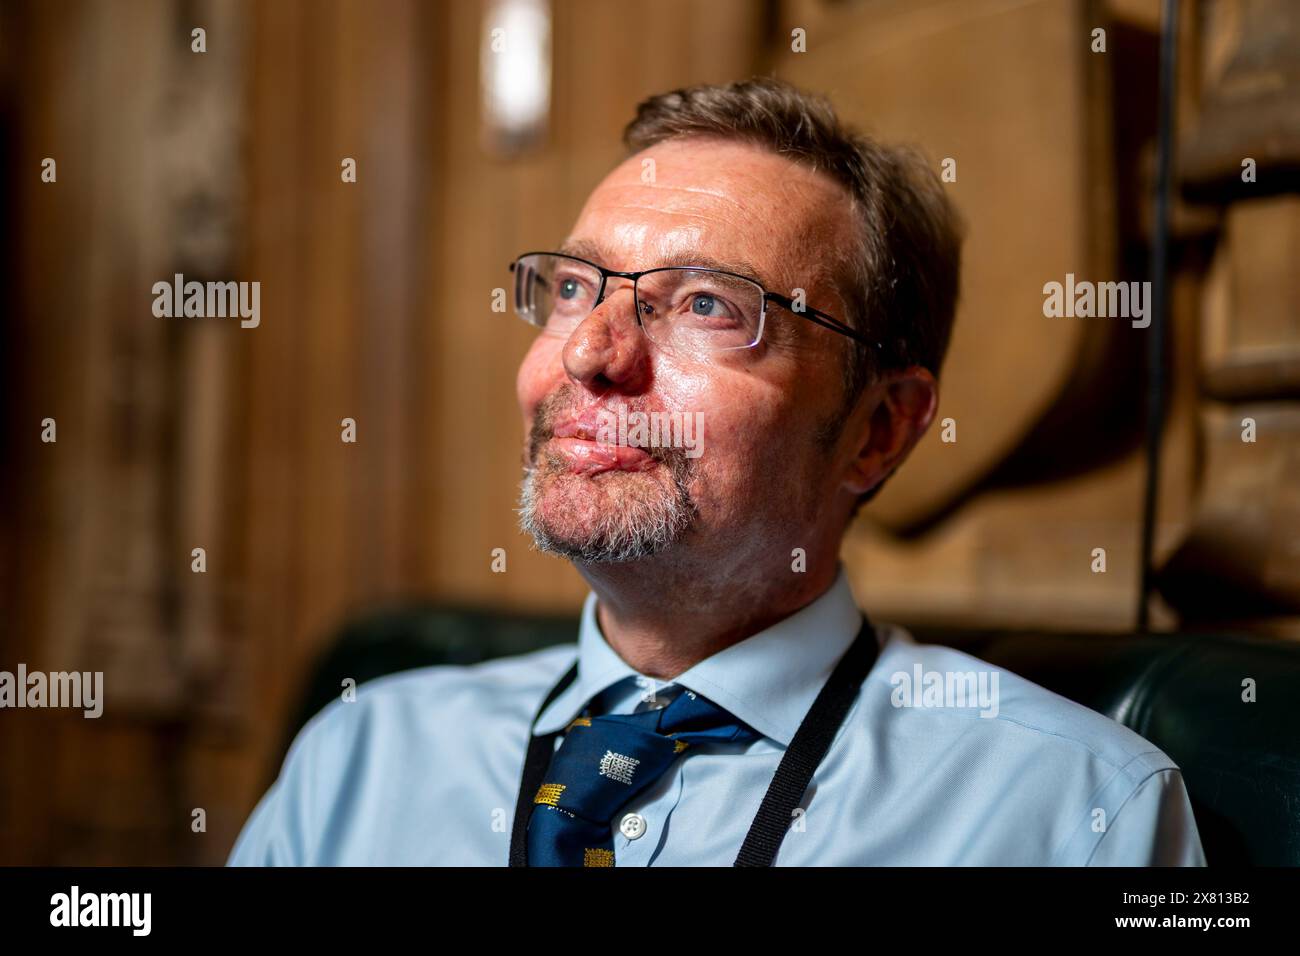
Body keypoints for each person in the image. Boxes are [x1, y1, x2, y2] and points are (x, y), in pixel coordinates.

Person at [228, 76, 1205, 866]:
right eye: (573, 288)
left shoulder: (1074, 811)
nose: (590, 353)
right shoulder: (360, 756)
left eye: (703, 304)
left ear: (878, 428)